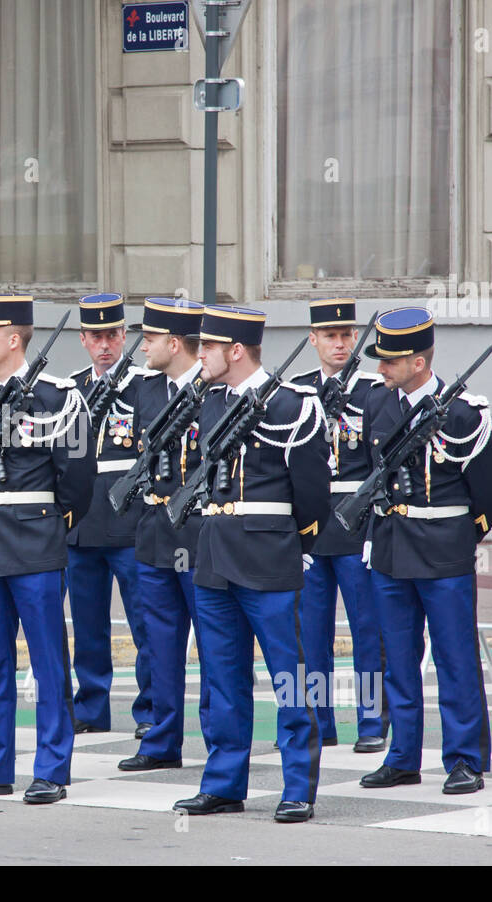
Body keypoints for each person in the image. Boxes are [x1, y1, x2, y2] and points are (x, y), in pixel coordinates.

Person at [172, 305, 331, 823]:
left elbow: (312, 496)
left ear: (235, 351)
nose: (202, 358)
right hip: (215, 553)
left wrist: (290, 543)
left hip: (268, 555)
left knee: (289, 675)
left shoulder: (293, 405)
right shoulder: (210, 403)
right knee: (222, 678)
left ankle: (297, 787)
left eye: (209, 349)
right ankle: (223, 783)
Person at [0, 293, 94, 805]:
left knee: (48, 661)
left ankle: (51, 766)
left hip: (34, 537)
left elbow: (76, 479)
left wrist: (48, 522)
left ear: (13, 339)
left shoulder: (56, 395)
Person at [356, 307, 492, 795]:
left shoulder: (463, 412)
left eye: (390, 361)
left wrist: (461, 540)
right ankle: (403, 757)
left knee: (455, 658)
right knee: (398, 658)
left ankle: (464, 759)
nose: (380, 369)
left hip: (443, 552)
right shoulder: (379, 404)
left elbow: (487, 490)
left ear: (418, 362)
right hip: (392, 550)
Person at [117, 297, 211, 771]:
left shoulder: (213, 388)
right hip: (154, 532)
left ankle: (219, 742)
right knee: (159, 643)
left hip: (200, 533)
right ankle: (161, 740)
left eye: (150, 340)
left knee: (214, 645)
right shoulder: (145, 390)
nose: (142, 348)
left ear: (174, 343)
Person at [292, 298, 389, 753]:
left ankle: (371, 721)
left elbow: (381, 464)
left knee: (367, 631)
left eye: (346, 335)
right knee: (311, 637)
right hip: (312, 527)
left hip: (356, 524)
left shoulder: (374, 390)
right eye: (330, 336)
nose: (340, 343)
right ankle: (318, 721)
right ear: (313, 339)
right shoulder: (297, 391)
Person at [63, 293, 155, 737]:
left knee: (144, 624)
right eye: (96, 336)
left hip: (129, 524)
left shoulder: (145, 386)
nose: (105, 345)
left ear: (124, 336)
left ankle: (151, 708)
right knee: (88, 625)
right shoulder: (70, 389)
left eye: (112, 335)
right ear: (83, 340)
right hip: (81, 526)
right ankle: (91, 707)